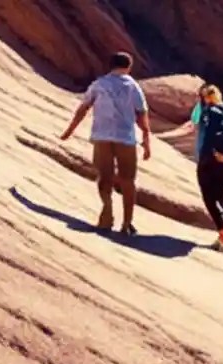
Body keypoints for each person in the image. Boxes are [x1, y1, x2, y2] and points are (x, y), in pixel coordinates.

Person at [60, 51, 152, 236]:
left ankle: (107, 214)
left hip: (102, 136)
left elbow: (83, 108)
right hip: (125, 138)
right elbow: (141, 114)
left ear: (110, 65)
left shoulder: (99, 84)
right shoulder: (133, 87)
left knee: (104, 176)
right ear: (129, 67)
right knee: (128, 181)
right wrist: (146, 139)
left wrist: (69, 131)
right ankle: (127, 223)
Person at [191, 84, 223, 252]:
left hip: (210, 159)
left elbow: (194, 121)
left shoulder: (207, 111)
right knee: (220, 197)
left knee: (210, 198)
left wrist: (210, 154)